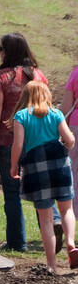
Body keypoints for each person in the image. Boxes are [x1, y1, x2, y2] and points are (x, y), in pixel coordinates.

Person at [11, 80, 78, 273]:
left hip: (35, 168)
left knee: (46, 219)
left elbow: (17, 145)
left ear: (25, 97)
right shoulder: (56, 114)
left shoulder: (21, 116)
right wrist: (65, 148)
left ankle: (51, 265)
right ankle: (71, 243)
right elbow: (70, 140)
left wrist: (14, 166)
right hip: (60, 166)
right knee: (66, 209)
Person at [0, 33, 47, 254]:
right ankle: (49, 234)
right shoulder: (39, 76)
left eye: (1, 48)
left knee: (12, 192)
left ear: (7, 51)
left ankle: (16, 242)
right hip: (38, 140)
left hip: (8, 140)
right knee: (41, 190)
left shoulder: (0, 77)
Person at [60, 62, 78, 222]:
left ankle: (71, 217)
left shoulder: (76, 73)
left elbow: (66, 105)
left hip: (76, 125)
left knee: (73, 173)